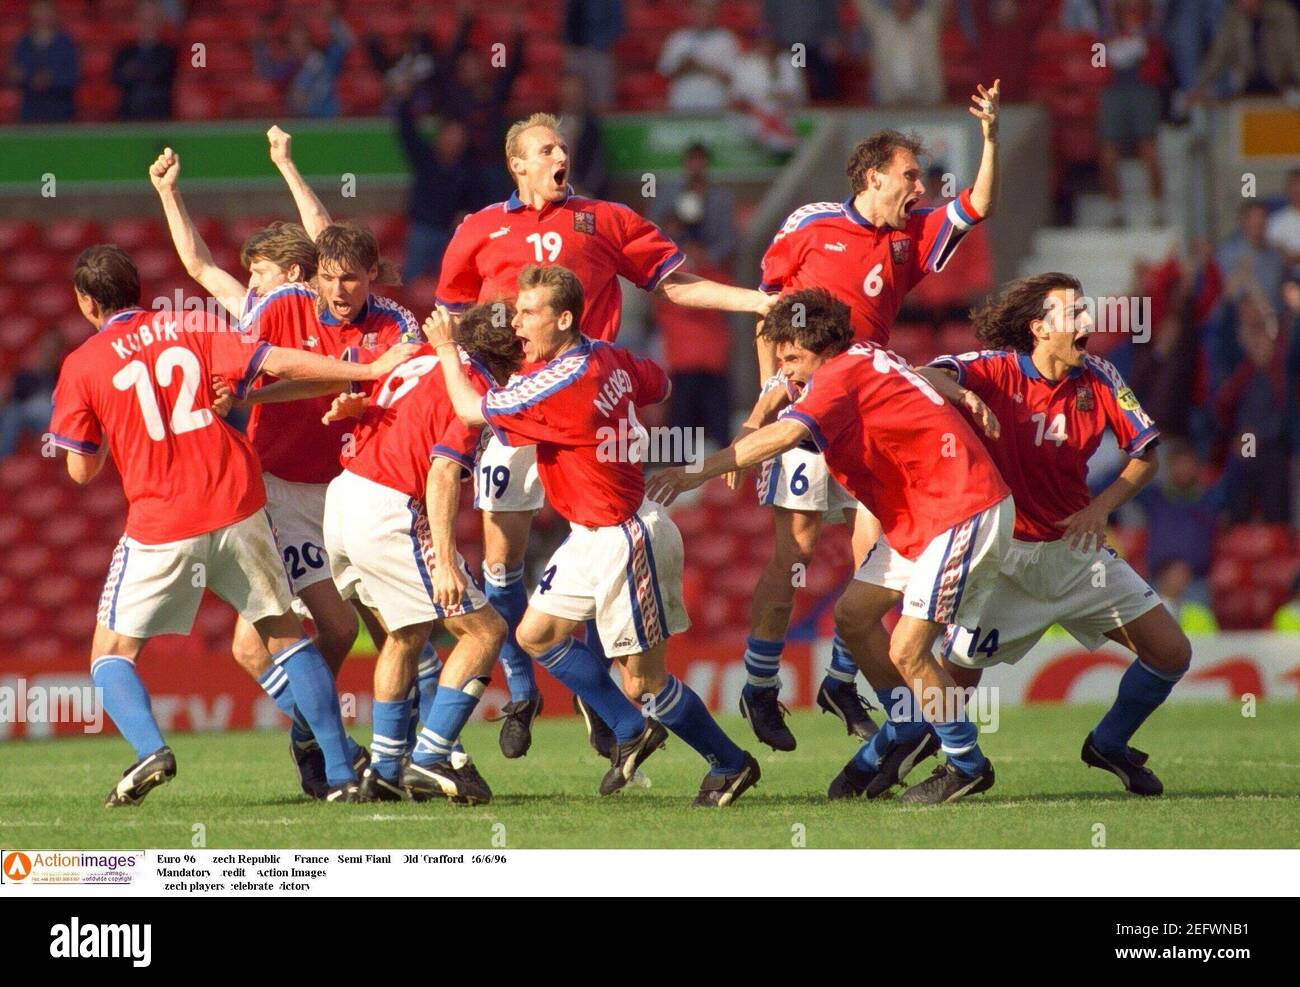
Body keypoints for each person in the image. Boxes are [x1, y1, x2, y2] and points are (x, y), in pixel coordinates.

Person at [434, 111, 773, 760]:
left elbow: (676, 284)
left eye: (562, 146)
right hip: (510, 406)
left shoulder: (604, 219)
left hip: (585, 408)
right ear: (517, 164)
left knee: (597, 537)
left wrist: (753, 301)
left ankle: (606, 704)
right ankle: (523, 691)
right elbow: (449, 320)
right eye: (545, 149)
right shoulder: (478, 229)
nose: (559, 155)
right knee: (502, 561)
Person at [50, 245, 412, 805]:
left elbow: (80, 468)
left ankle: (150, 750)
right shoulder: (191, 324)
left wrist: (107, 437)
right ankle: (341, 774)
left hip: (163, 518)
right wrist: (365, 370)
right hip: (236, 500)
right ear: (137, 288)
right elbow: (277, 361)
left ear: (86, 303)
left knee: (111, 654)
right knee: (286, 636)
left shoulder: (82, 363)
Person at [649, 288, 1013, 805]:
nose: (785, 371)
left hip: (961, 508)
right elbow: (921, 376)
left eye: (793, 358)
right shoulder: (865, 356)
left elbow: (782, 437)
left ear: (823, 350)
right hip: (919, 516)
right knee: (854, 617)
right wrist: (959, 394)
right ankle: (908, 726)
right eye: (780, 359)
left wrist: (698, 470)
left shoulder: (839, 375)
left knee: (907, 649)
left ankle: (967, 763)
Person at [428, 267, 762, 807]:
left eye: (529, 313)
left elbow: (469, 410)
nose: (516, 324)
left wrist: (446, 348)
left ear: (564, 319)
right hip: (589, 535)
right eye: (517, 312)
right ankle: (629, 730)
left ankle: (730, 763)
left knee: (644, 683)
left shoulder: (560, 383)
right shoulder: (606, 354)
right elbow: (660, 383)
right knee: (536, 634)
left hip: (625, 540)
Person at [735, 85, 1000, 753]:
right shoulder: (810, 224)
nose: (921, 186)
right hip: (808, 399)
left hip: (871, 410)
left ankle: (843, 680)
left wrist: (990, 138)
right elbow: (768, 308)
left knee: (876, 550)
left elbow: (976, 205)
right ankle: (760, 684)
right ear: (875, 175)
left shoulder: (912, 235)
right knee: (795, 550)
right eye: (910, 174)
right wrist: (772, 388)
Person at [920, 272, 1192, 797]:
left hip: (1078, 556)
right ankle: (913, 762)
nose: (1087, 320)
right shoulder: (994, 368)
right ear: (1039, 328)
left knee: (1171, 653)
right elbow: (921, 374)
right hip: (1005, 561)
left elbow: (1146, 457)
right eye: (1074, 313)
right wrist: (963, 396)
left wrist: (1100, 507)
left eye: (1085, 309)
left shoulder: (1100, 375)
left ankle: (1108, 743)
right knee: (952, 683)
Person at [319, 304, 524, 804]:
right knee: (485, 632)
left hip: (344, 495)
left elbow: (389, 413)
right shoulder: (472, 386)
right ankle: (431, 756)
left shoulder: (422, 358)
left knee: (405, 635)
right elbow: (443, 470)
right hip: (391, 505)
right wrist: (446, 560)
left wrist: (354, 411)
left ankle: (385, 769)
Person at [391, 101, 484, 282]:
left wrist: (465, 215)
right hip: (421, 230)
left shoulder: (469, 171)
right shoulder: (424, 159)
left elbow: (475, 202)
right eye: (450, 134)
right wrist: (403, 99)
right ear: (440, 135)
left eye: (458, 136)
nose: (453, 140)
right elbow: (406, 131)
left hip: (448, 234)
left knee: (444, 281)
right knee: (412, 280)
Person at [1097, 0, 1165, 225]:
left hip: (1142, 90)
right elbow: (1097, 65)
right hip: (1114, 91)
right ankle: (1116, 210)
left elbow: (1157, 67)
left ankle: (1157, 208)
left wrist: (1138, 44)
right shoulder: (1106, 32)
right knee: (1108, 154)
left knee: (1148, 150)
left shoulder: (1152, 31)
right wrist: (1112, 48)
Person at [254, 5, 355, 119]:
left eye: (300, 37)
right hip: (302, 120)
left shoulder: (324, 60)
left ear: (308, 38)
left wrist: (332, 19)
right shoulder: (289, 65)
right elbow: (267, 74)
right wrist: (259, 46)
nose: (296, 42)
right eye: (293, 38)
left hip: (328, 117)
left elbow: (347, 42)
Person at [1191, 0, 1300, 101]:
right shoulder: (1234, 17)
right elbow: (1219, 54)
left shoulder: (1282, 15)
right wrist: (1200, 86)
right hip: (1247, 86)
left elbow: (1294, 53)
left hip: (1281, 85)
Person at [648, 142, 736, 267]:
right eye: (692, 160)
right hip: (673, 259)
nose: (696, 166)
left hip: (707, 261)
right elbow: (651, 229)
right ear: (685, 163)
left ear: (707, 164)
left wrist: (706, 257)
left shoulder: (722, 198)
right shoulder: (665, 195)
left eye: (700, 160)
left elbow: (728, 240)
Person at [853, 0, 946, 107]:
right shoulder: (881, 25)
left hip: (927, 102)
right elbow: (864, 5)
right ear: (893, 4)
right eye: (900, 3)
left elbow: (939, 4)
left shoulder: (927, 24)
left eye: (908, 3)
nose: (904, 6)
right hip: (890, 103)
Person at [658, 0, 740, 113]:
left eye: (707, 10)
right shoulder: (677, 38)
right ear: (691, 12)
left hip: (714, 106)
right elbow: (666, 74)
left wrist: (700, 66)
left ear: (715, 13)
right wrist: (684, 66)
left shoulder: (726, 39)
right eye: (699, 9)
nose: (703, 14)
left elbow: (731, 78)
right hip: (682, 105)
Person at [7, 0, 78, 123]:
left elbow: (73, 76)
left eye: (46, 10)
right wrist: (18, 76)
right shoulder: (23, 44)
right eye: (39, 10)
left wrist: (51, 80)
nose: (42, 15)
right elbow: (14, 75)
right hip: (30, 109)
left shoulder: (66, 43)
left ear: (54, 13)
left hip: (59, 109)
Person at [111, 0, 176, 121]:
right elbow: (117, 78)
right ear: (136, 20)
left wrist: (133, 71)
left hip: (158, 114)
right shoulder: (124, 52)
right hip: (128, 113)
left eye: (152, 18)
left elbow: (160, 76)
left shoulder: (170, 52)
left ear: (159, 21)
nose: (147, 23)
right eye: (143, 18)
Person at [0, 333, 61, 458]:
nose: (49, 353)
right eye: (46, 349)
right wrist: (37, 372)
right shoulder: (27, 373)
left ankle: (50, 459)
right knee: (12, 413)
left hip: (50, 415)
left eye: (53, 350)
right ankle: (3, 457)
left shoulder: (60, 373)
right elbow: (18, 395)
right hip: (26, 412)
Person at [562, 0, 624, 111]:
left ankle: (598, 121)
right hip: (576, 49)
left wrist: (600, 43)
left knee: (600, 96)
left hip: (600, 52)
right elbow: (567, 20)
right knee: (573, 91)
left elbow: (617, 26)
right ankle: (573, 120)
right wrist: (571, 43)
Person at [1265, 168, 1300, 275]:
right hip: (1288, 277)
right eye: (1294, 188)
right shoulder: (1276, 221)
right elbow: (1277, 256)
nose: (1297, 192)